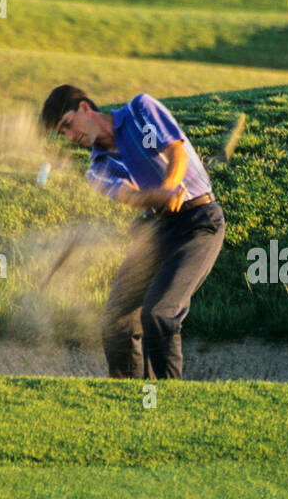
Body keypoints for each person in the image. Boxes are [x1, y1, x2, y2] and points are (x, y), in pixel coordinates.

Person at [40, 85, 225, 379]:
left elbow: (175, 151)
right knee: (116, 323)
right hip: (153, 232)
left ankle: (167, 403)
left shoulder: (140, 109)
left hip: (197, 222)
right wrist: (160, 197)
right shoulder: (96, 169)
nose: (70, 136)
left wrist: (170, 186)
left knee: (159, 313)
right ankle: (129, 401)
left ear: (85, 108)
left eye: (68, 125)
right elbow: (131, 196)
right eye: (63, 134)